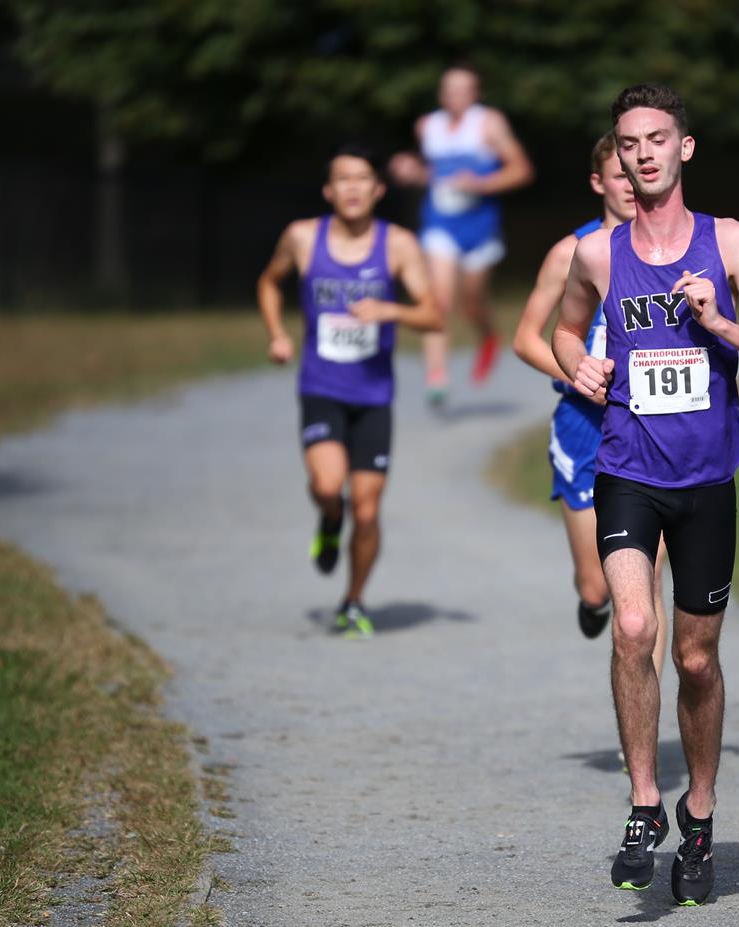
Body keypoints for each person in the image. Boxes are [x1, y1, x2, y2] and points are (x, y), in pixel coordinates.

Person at [552, 83, 739, 906]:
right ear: (617, 159)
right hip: (627, 468)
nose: (644, 154)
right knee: (633, 626)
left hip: (707, 482)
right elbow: (562, 327)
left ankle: (699, 815)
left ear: (684, 148)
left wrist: (720, 324)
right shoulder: (596, 253)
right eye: (629, 144)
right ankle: (642, 804)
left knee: (696, 659)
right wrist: (577, 364)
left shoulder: (728, 242)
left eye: (658, 138)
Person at [256, 144, 441, 638]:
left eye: (363, 179)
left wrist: (391, 311)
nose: (353, 188)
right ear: (328, 190)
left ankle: (353, 600)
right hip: (321, 386)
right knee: (325, 487)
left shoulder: (398, 245)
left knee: (367, 507)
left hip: (374, 396)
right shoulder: (302, 237)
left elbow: (433, 314)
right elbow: (269, 282)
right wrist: (277, 333)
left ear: (378, 189)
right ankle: (327, 522)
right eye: (343, 179)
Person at [511, 132, 668, 672]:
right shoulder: (571, 251)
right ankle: (591, 600)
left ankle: (642, 722)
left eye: (636, 171)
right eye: (618, 173)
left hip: (654, 430)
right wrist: (576, 372)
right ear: (599, 181)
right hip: (584, 426)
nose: (630, 183)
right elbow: (527, 337)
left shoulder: (671, 248)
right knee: (601, 584)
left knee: (645, 581)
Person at [388, 63, 534, 406]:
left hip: (480, 227)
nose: (455, 96)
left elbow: (521, 170)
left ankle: (487, 336)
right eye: (449, 89)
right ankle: (436, 374)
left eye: (463, 89)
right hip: (440, 222)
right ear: (441, 94)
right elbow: (434, 175)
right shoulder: (427, 126)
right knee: (438, 296)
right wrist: (411, 171)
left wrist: (482, 183)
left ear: (475, 93)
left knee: (472, 303)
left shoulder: (489, 123)